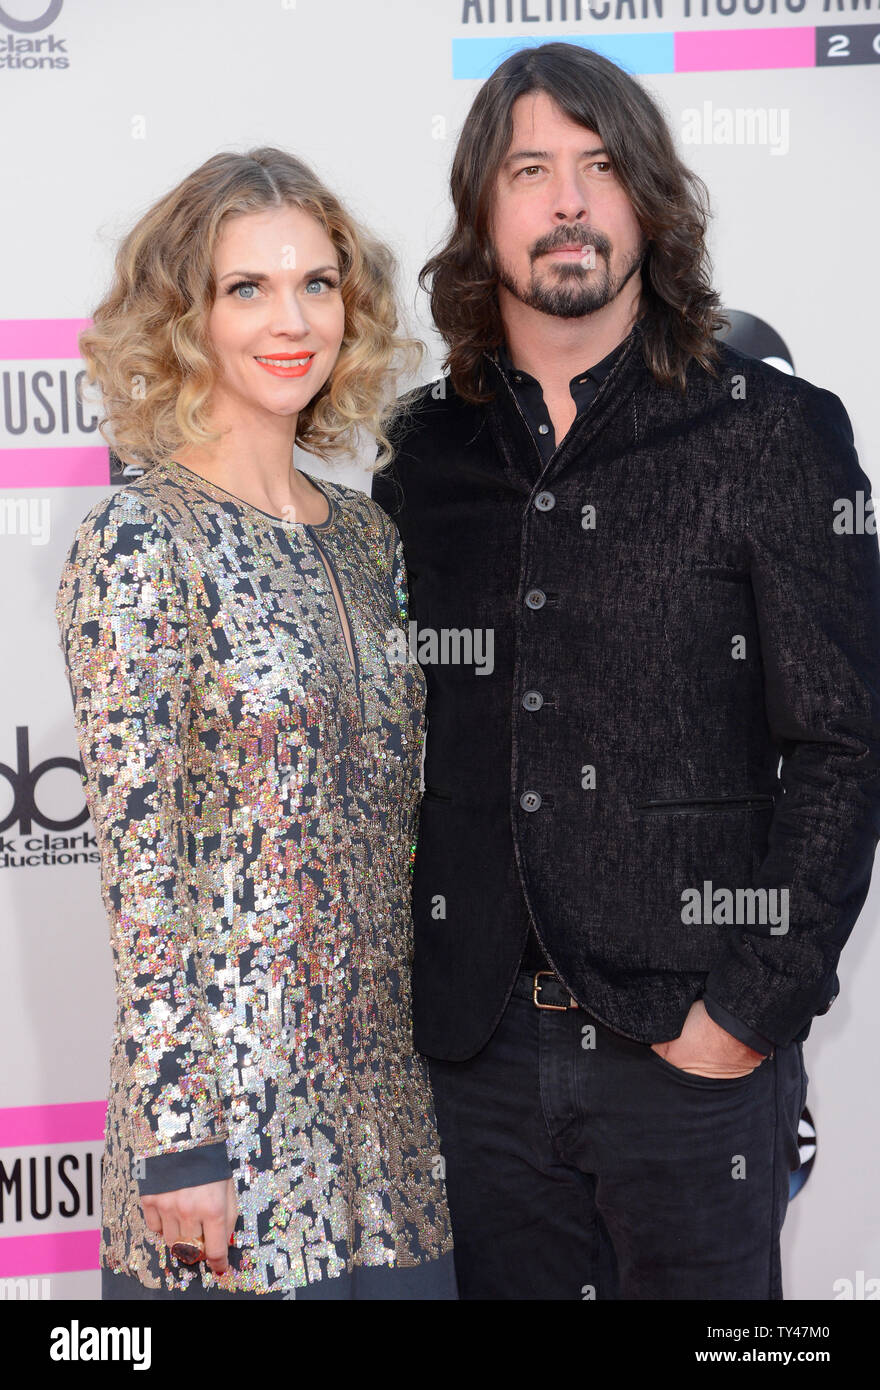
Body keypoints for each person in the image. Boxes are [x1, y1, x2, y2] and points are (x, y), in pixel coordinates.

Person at [371, 43, 880, 1300]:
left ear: (647, 200)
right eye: (529, 169)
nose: (567, 201)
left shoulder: (769, 430)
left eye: (600, 166)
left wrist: (751, 1007)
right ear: (482, 217)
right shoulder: (421, 459)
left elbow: (843, 742)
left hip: (689, 1053)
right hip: (476, 1056)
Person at [55, 147, 456, 1299]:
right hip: (229, 1146)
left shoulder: (366, 537)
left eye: (317, 284)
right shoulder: (140, 539)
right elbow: (142, 873)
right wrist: (182, 1141)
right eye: (248, 287)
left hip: (391, 1127)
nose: (293, 319)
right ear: (187, 315)